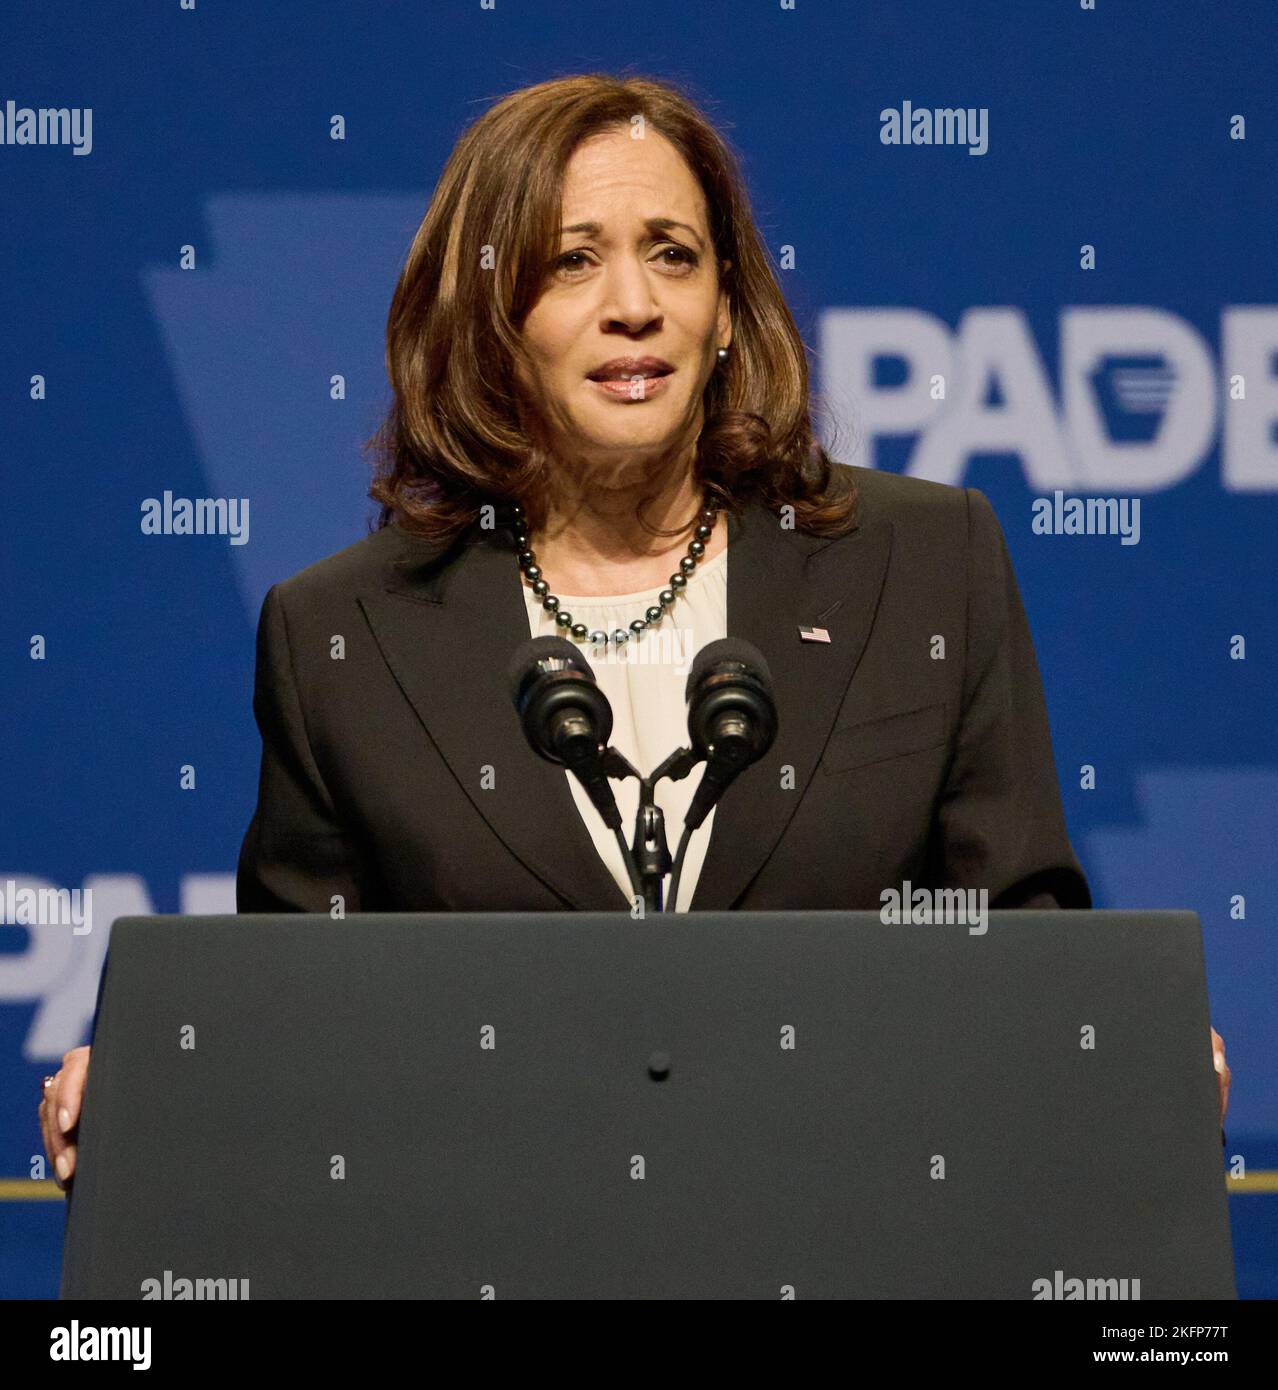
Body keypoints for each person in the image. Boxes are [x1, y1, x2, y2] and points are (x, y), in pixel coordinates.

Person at [39, 73, 1230, 1189]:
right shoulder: (343, 634)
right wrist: (168, 1087)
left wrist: (1119, 1056)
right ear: (490, 317)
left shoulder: (920, 565)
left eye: (674, 255)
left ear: (724, 311)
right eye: (571, 262)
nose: (634, 306)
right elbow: (298, 1013)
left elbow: (1024, 944)